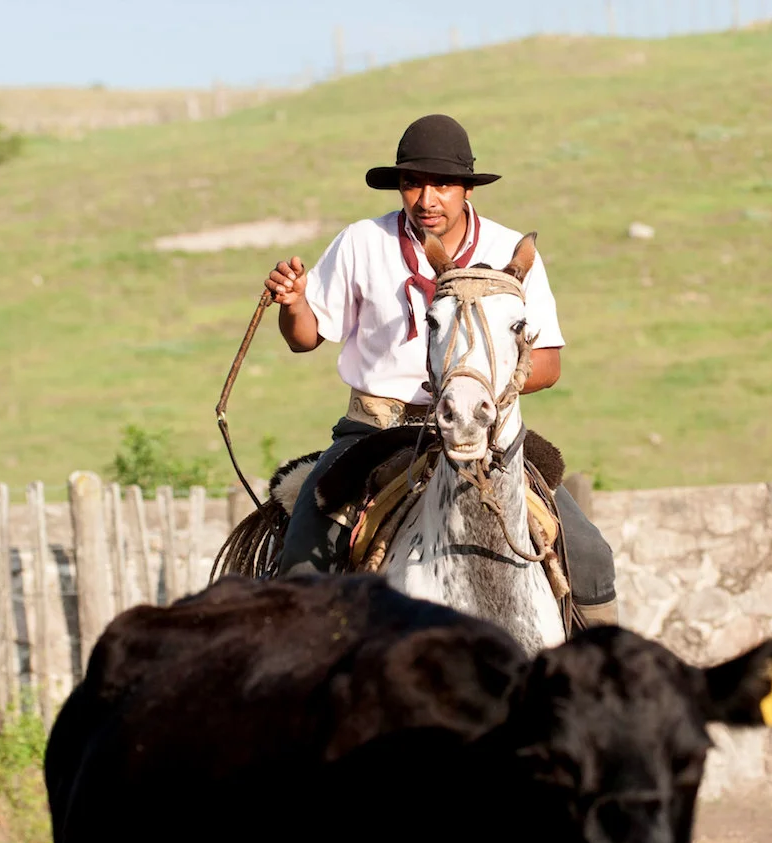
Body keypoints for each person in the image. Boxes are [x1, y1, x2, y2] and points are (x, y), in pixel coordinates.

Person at [264, 113, 617, 626]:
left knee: (590, 555)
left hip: (487, 430)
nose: (426, 198)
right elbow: (305, 338)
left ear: (467, 189)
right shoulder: (362, 241)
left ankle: (602, 686)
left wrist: (474, 391)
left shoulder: (510, 250)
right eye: (413, 183)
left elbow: (549, 362)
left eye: (442, 184)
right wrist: (293, 302)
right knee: (302, 559)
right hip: (377, 429)